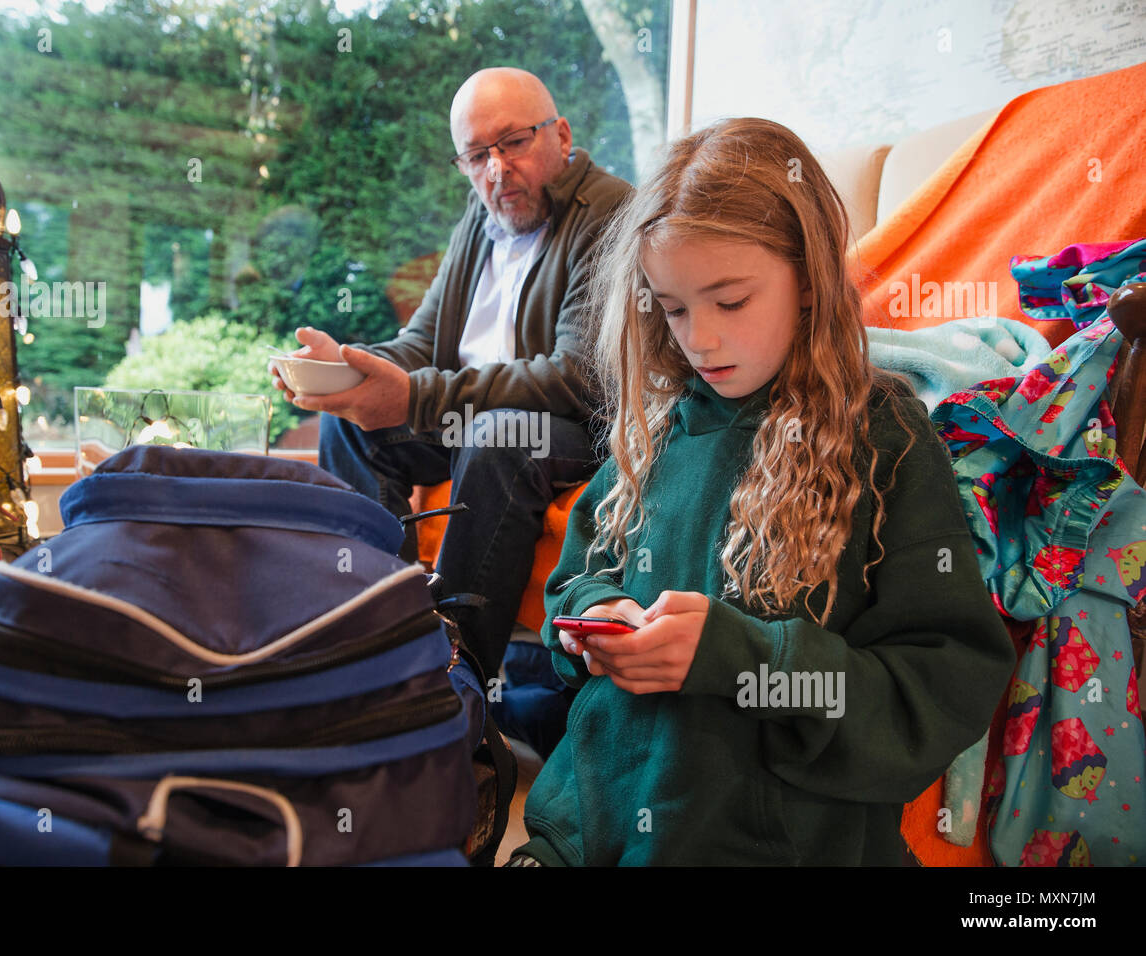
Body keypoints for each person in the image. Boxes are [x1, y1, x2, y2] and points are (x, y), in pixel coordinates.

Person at [509, 118, 1015, 866]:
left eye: (731, 301)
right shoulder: (654, 429)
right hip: (584, 833)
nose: (698, 339)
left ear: (807, 280)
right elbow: (576, 581)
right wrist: (595, 619)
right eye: (673, 307)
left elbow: (938, 691)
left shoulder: (885, 437)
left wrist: (743, 659)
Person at [270, 68, 632, 686]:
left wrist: (416, 396)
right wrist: (350, 368)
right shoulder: (483, 216)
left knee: (499, 434)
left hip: (575, 428)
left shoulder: (609, 211)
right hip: (476, 416)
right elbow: (423, 343)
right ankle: (379, 629)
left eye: (513, 142)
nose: (496, 170)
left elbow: (579, 376)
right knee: (350, 425)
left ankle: (448, 678)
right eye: (476, 155)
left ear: (561, 134)